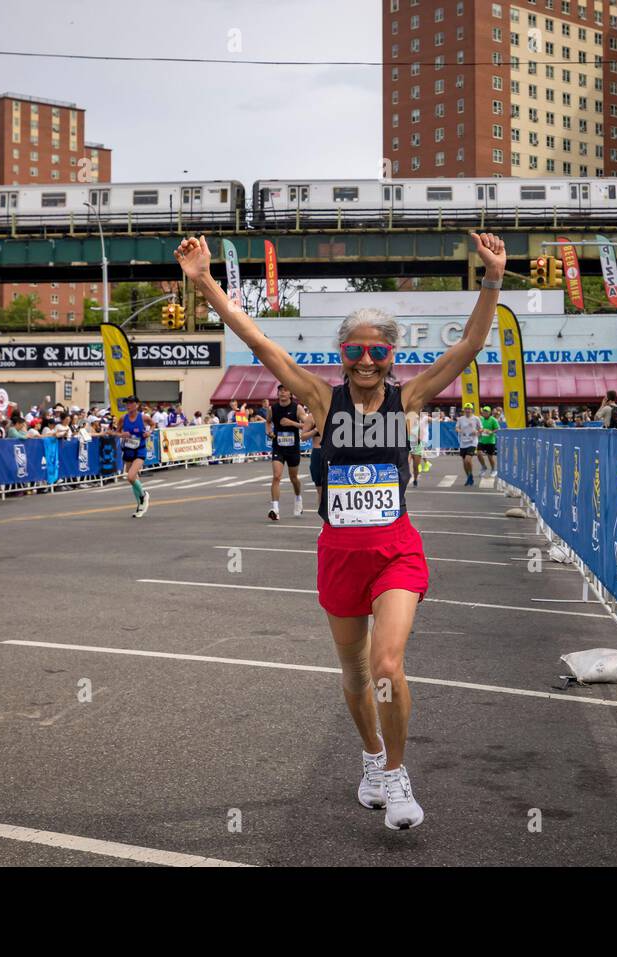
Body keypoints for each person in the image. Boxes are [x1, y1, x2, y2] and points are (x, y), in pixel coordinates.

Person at [176, 229, 507, 830]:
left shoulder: (410, 399)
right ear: (341, 357)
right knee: (355, 674)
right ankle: (373, 759)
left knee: (386, 665)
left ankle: (400, 778)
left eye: (377, 353)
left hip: (396, 553)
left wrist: (490, 279)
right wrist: (205, 285)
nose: (364, 362)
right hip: (339, 556)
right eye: (353, 352)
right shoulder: (322, 402)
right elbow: (258, 340)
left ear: (392, 359)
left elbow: (470, 345)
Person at [108, 395, 151, 518]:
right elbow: (115, 431)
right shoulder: (123, 418)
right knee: (133, 479)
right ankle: (140, 506)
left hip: (140, 450)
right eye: (127, 403)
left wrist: (149, 432)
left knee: (131, 476)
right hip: (128, 450)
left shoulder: (143, 418)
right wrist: (121, 434)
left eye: (131, 403)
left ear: (137, 405)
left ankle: (144, 495)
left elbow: (153, 425)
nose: (128, 405)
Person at [266, 385, 304, 521]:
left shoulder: (297, 408)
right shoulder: (273, 408)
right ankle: (275, 509)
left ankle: (298, 498)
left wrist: (292, 423)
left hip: (293, 448)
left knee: (294, 478)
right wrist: (269, 432)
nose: (282, 392)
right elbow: (268, 422)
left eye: (285, 390)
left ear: (290, 394)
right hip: (278, 447)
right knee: (276, 476)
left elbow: (307, 425)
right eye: (280, 390)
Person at [454, 403, 481, 486]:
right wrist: (459, 430)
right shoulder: (461, 419)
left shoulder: (476, 418)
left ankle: (470, 475)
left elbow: (481, 429)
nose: (468, 410)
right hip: (463, 442)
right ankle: (469, 477)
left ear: (472, 410)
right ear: (464, 410)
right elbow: (456, 428)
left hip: (472, 441)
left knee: (467, 460)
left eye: (469, 409)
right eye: (466, 409)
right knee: (464, 462)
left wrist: (476, 432)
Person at [477, 405, 499, 477]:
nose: (485, 413)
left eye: (486, 412)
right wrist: (480, 431)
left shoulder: (493, 420)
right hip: (482, 440)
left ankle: (493, 469)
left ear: (489, 413)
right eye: (484, 411)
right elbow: (479, 428)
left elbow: (497, 428)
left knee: (490, 457)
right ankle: (484, 467)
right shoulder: (481, 419)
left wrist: (491, 432)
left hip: (490, 441)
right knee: (479, 453)